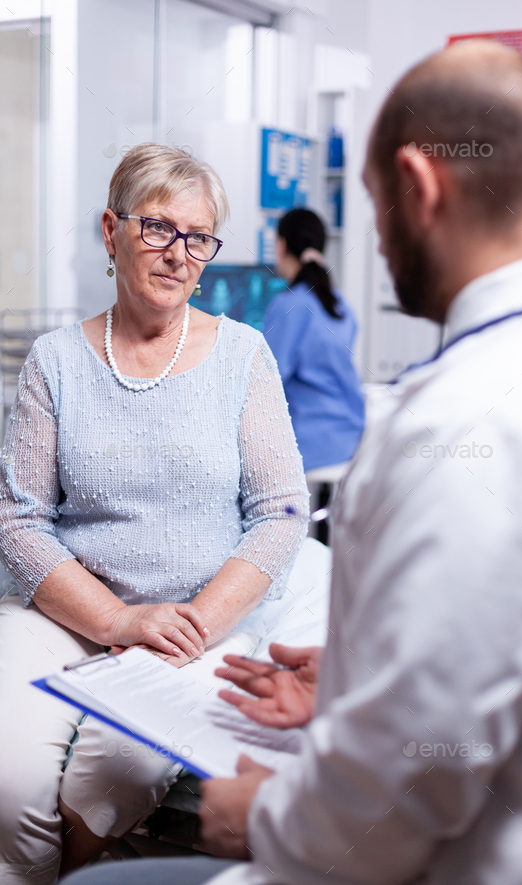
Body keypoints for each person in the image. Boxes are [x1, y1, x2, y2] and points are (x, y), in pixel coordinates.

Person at [64, 38, 522, 885]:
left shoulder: (458, 424)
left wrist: (258, 815)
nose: (379, 241)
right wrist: (352, 681)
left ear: (420, 186)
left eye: (378, 206)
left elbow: (405, 794)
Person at [0, 143, 310, 884]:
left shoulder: (244, 355)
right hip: (62, 615)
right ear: (111, 230)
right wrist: (115, 621)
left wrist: (189, 623)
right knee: (9, 779)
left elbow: (282, 512)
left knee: (124, 766)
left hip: (192, 626)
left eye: (198, 236)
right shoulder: (54, 361)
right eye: (157, 228)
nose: (179, 254)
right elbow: (19, 522)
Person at [263, 208, 365, 476]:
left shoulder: (288, 305)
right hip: (351, 439)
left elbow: (266, 380)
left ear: (281, 245)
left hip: (309, 444)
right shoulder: (342, 306)